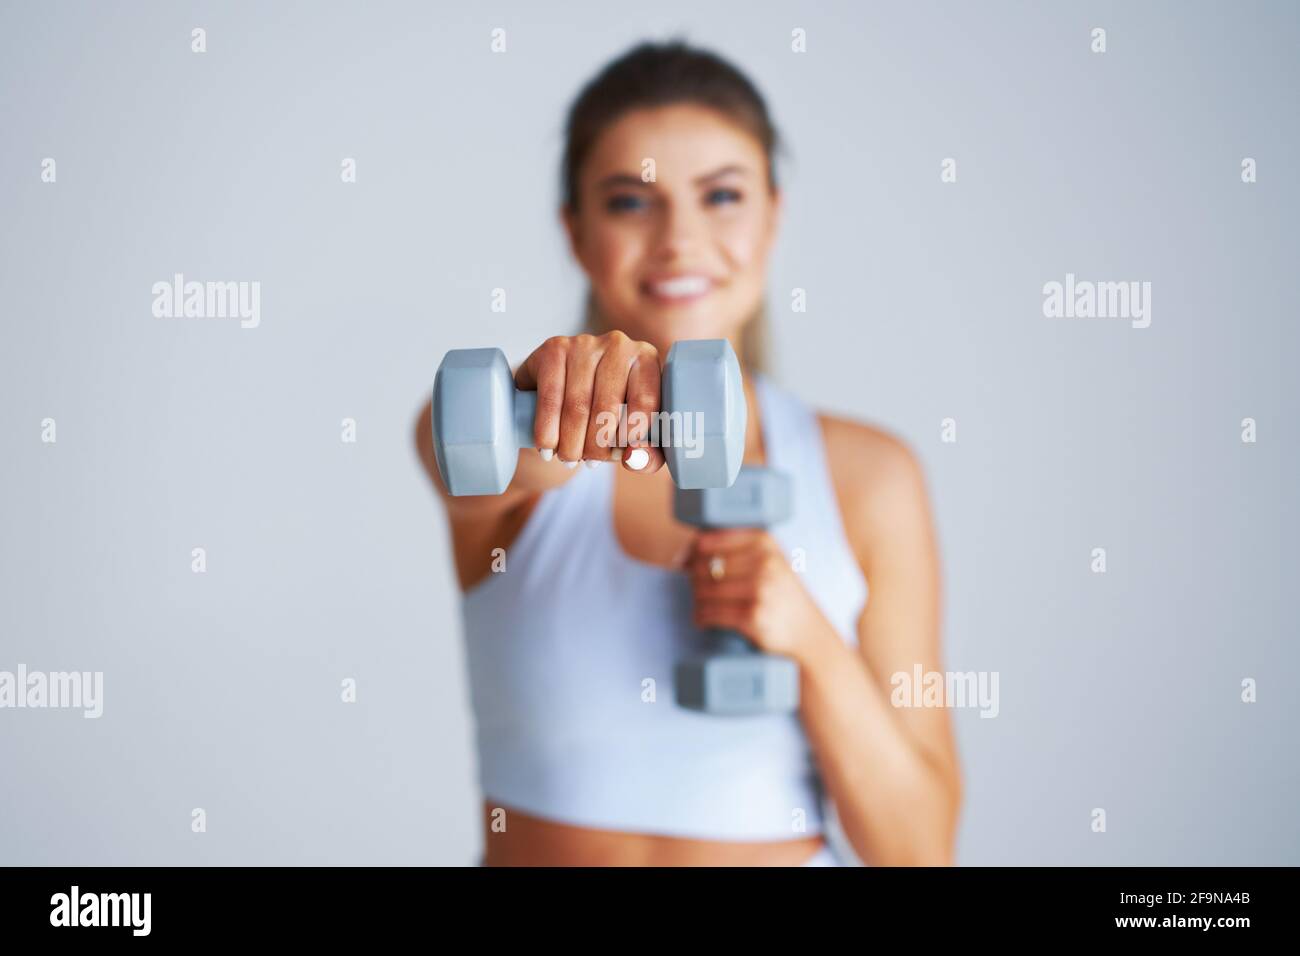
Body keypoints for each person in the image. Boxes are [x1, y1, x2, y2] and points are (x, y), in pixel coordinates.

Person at [416, 39, 961, 866]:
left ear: (774, 217)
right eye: (631, 202)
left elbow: (919, 851)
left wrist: (808, 639)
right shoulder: (489, 441)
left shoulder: (871, 475)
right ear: (575, 230)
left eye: (722, 196)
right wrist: (552, 402)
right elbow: (481, 462)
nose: (679, 239)